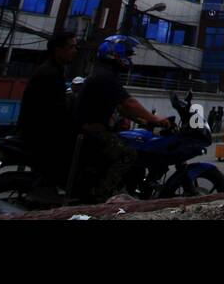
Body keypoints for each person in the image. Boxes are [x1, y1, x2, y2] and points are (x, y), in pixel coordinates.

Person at [72, 35, 170, 201]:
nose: (129, 59)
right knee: (128, 154)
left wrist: (143, 121)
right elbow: (129, 103)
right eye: (127, 54)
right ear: (115, 55)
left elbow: (121, 107)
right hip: (92, 132)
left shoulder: (104, 74)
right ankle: (104, 195)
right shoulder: (105, 76)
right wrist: (154, 118)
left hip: (93, 130)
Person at [17, 30, 78, 186]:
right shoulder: (49, 73)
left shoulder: (55, 70)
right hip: (42, 136)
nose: (74, 51)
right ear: (58, 49)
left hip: (40, 132)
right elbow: (56, 111)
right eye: (71, 47)